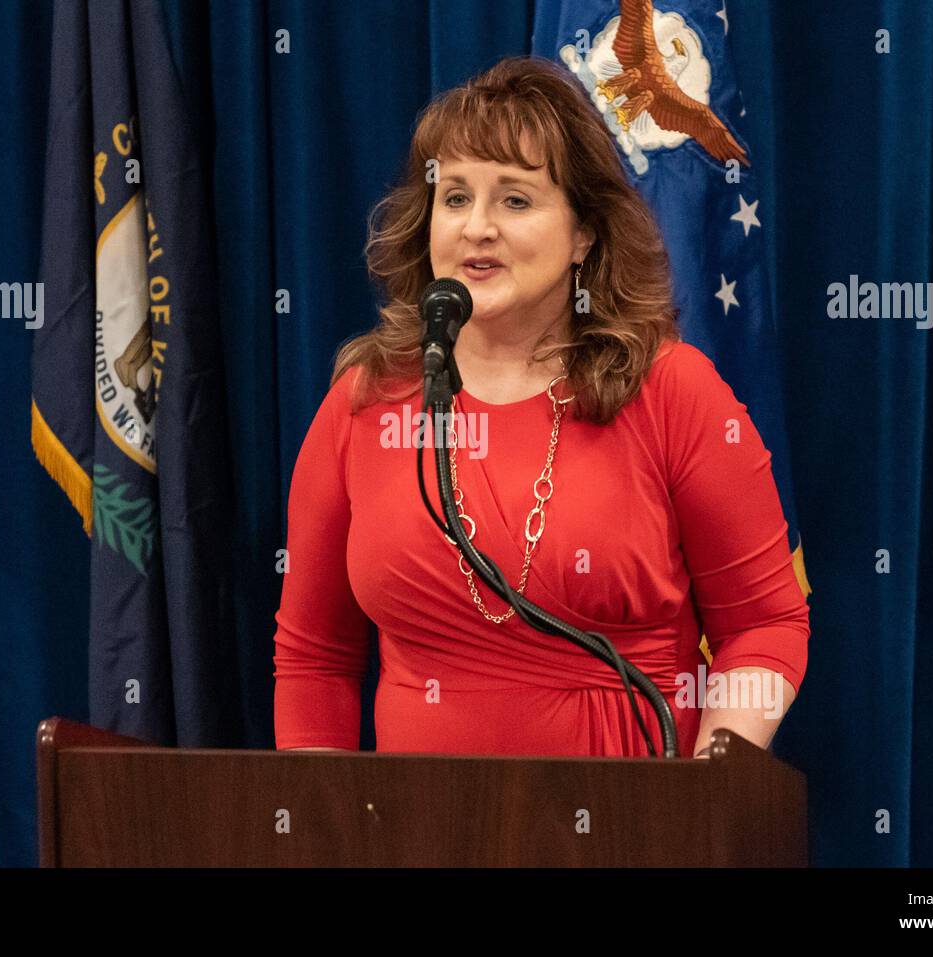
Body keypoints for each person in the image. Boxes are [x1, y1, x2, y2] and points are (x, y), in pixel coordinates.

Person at [271, 56, 809, 758]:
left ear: (584, 233)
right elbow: (315, 658)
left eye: (515, 200)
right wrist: (323, 836)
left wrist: (710, 785)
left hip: (638, 831)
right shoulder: (364, 402)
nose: (476, 228)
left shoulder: (673, 391)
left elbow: (765, 626)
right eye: (456, 197)